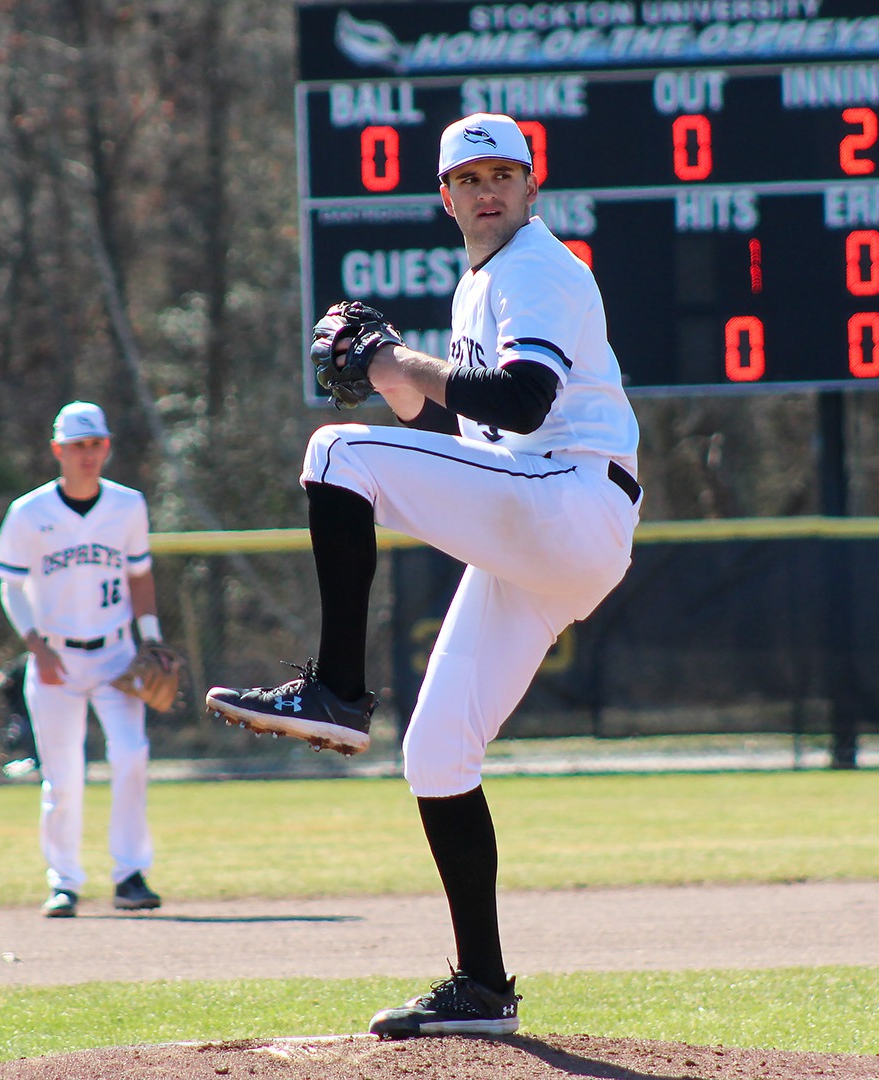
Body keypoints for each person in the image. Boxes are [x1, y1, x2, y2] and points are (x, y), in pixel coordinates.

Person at [205, 113, 642, 1038]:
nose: (487, 190)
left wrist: (391, 361)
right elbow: (466, 439)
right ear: (444, 197)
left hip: (571, 497)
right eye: (468, 177)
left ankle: (336, 690)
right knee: (437, 755)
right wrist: (394, 375)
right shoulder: (477, 289)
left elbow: (524, 402)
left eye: (503, 174)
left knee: (335, 455)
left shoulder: (536, 269)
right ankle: (483, 989)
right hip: (544, 533)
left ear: (532, 187)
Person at [0, 401, 166, 918]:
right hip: (56, 660)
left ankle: (130, 875)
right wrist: (35, 647)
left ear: (106, 447)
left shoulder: (128, 505)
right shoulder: (29, 512)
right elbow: (11, 587)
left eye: (95, 444)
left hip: (116, 654)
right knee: (62, 777)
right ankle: (64, 881)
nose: (87, 455)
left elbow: (139, 576)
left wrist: (150, 640)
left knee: (131, 755)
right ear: (57, 451)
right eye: (77, 446)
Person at [0, 651, 40, 778]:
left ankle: (39, 766)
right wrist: (6, 680)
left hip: (43, 714)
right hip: (22, 715)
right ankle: (4, 769)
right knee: (13, 737)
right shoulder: (23, 663)